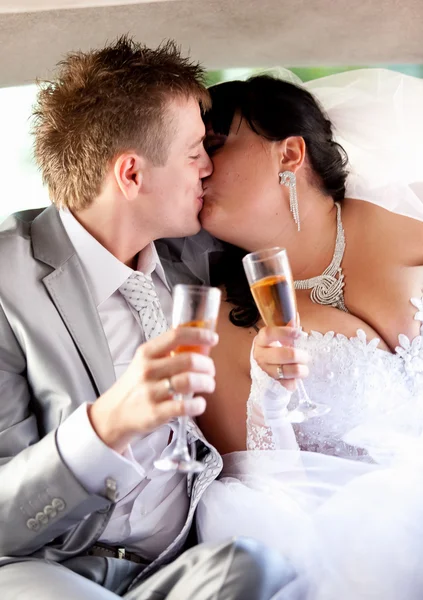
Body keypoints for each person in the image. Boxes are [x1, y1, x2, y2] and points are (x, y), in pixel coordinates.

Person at [0, 37, 293, 600]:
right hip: (48, 569)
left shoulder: (195, 257)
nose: (209, 169)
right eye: (194, 154)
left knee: (258, 567)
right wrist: (107, 425)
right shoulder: (6, 281)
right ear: (132, 174)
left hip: (176, 568)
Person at [194, 69, 423, 598]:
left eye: (215, 145)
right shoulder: (222, 325)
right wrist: (267, 404)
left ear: (290, 154)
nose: (200, 168)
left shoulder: (409, 222)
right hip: (358, 558)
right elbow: (268, 502)